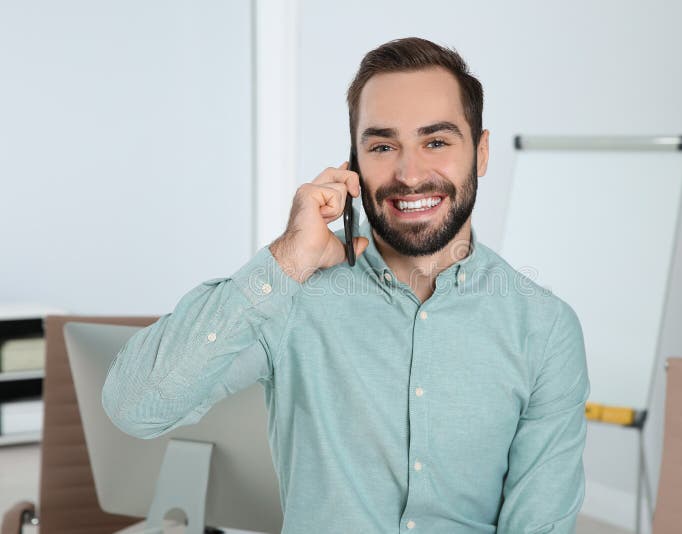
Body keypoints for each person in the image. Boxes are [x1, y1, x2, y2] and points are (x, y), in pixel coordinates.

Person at [102, 36, 590, 534]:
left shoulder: (544, 329)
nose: (410, 173)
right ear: (352, 164)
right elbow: (134, 407)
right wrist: (288, 260)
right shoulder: (292, 295)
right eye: (382, 146)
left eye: (436, 142)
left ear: (480, 153)